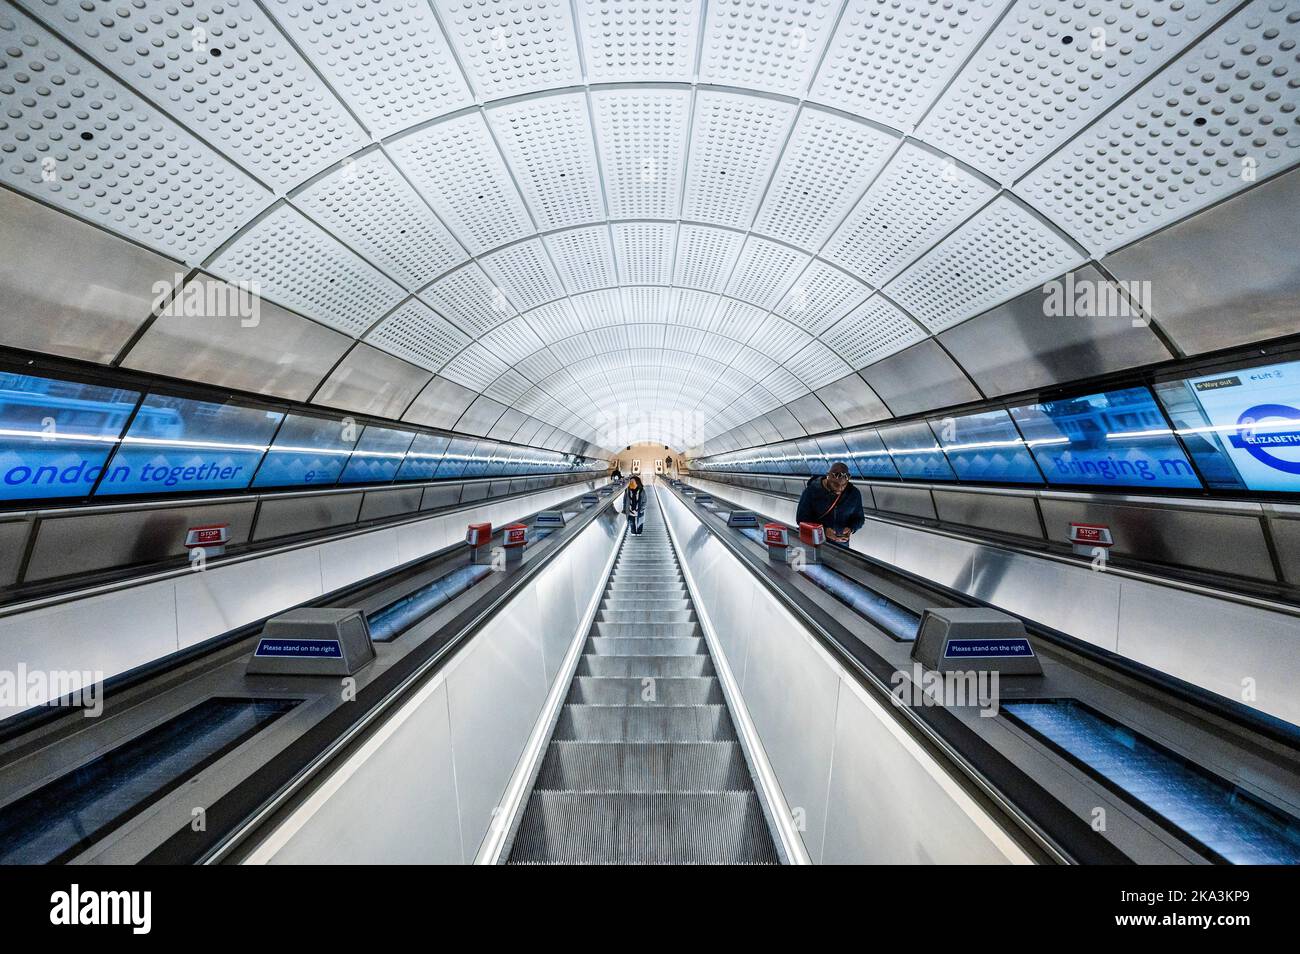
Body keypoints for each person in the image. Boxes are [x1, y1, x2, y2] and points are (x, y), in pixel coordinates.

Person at [796, 461, 864, 545]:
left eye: (844, 485)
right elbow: (801, 519)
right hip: (816, 541)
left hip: (841, 544)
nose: (839, 489)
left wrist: (851, 528)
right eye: (835, 484)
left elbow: (859, 518)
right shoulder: (811, 491)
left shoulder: (854, 493)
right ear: (828, 476)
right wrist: (824, 531)